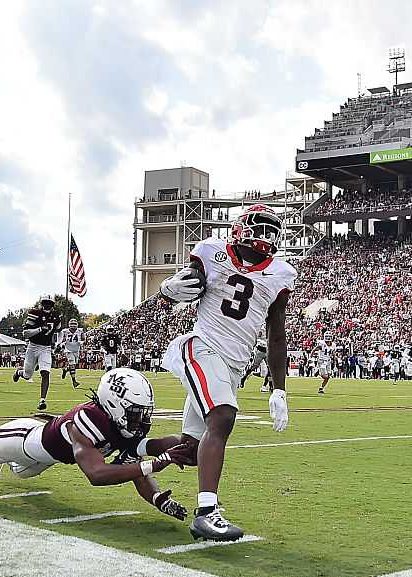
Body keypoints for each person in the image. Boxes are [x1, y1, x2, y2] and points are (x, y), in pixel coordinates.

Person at [159, 204, 295, 541]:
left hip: (234, 363)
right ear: (240, 228)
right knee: (222, 417)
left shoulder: (280, 273)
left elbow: (276, 333)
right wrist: (167, 292)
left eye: (271, 231)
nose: (266, 237)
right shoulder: (210, 251)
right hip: (202, 346)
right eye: (260, 228)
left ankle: (132, 447)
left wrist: (279, 389)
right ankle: (207, 512)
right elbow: (182, 291)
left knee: (190, 450)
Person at [0, 367, 191, 520]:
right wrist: (155, 465)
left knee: (19, 473)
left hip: (46, 458)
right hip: (24, 440)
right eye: (135, 413)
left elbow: (152, 449)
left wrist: (160, 498)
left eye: (143, 413)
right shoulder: (87, 421)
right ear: (114, 403)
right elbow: (96, 474)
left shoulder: (122, 423)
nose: (141, 420)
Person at [13, 297, 62, 410]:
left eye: (49, 303)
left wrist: (58, 343)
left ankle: (42, 400)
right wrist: (40, 329)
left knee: (45, 372)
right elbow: (25, 333)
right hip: (33, 346)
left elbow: (59, 331)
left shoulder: (56, 316)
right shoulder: (35, 314)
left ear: (52, 305)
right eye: (45, 303)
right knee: (27, 375)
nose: (47, 305)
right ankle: (19, 372)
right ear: (42, 304)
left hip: (46, 348)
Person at [58, 318, 84, 388]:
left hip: (76, 349)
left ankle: (65, 370)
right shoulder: (65, 331)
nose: (73, 326)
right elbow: (62, 340)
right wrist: (62, 344)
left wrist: (82, 342)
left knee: (74, 365)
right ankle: (74, 381)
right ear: (69, 325)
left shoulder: (80, 331)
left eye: (74, 324)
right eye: (72, 324)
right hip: (68, 349)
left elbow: (84, 339)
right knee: (72, 364)